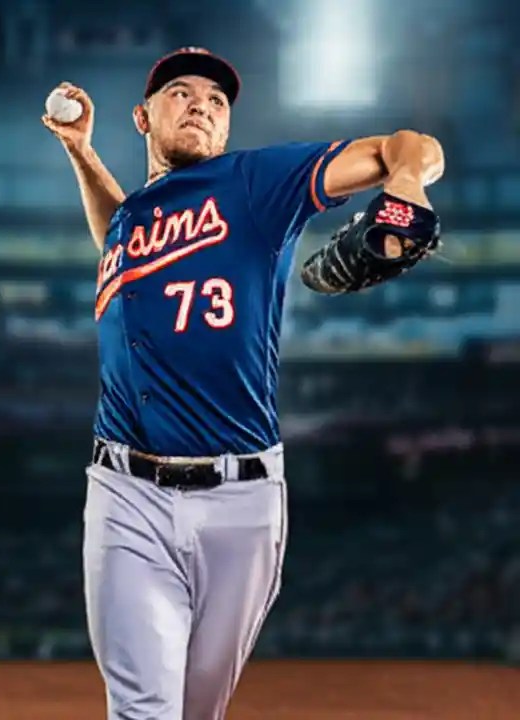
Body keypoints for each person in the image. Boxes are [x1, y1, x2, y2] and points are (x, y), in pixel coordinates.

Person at [42, 48, 444, 719]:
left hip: (242, 504)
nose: (201, 103)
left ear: (227, 129)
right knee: (143, 709)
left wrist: (407, 183)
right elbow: (119, 234)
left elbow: (413, 146)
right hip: (123, 493)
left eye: (217, 101)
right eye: (181, 92)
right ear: (143, 118)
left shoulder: (257, 182)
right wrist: (81, 151)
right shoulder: (133, 222)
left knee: (199, 711)